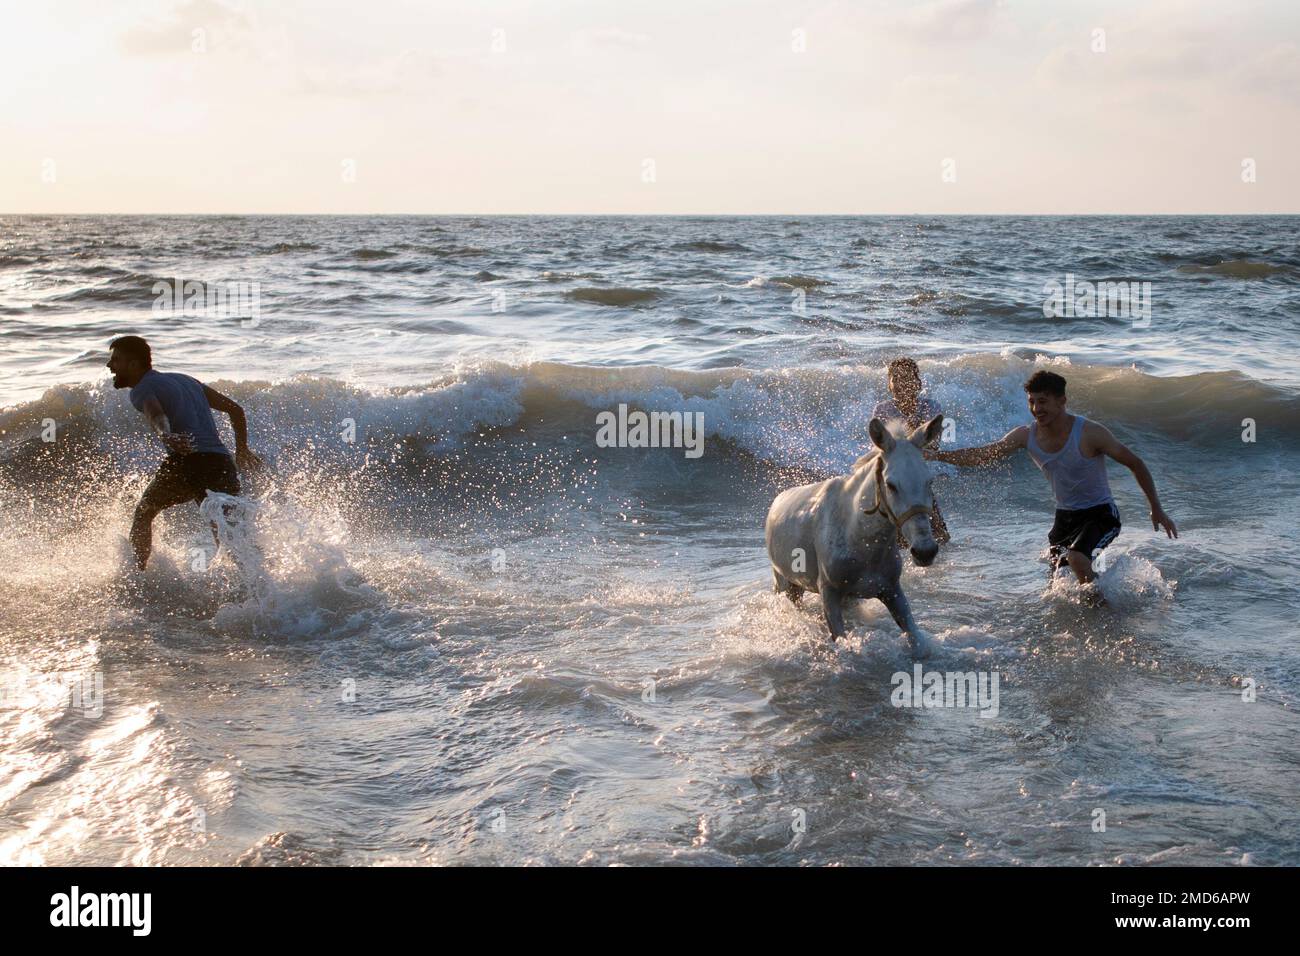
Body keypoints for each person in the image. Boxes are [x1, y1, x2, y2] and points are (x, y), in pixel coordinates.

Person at [929, 369, 1177, 587]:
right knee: (1059, 583)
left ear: (1062, 402)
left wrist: (1156, 508)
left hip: (1100, 515)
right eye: (1032, 402)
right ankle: (1099, 596)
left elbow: (1135, 463)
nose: (1037, 409)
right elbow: (984, 454)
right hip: (1064, 519)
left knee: (1077, 558)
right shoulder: (1026, 436)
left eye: (1043, 402)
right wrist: (937, 456)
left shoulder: (1089, 433)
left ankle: (1102, 613)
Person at [106, 335, 263, 570]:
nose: (110, 366)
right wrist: (241, 449)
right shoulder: (187, 380)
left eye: (115, 360)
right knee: (227, 529)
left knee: (143, 514)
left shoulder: (141, 388)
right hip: (221, 462)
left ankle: (137, 577)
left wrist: (164, 434)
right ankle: (257, 585)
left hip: (188, 462)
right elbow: (235, 410)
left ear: (134, 365)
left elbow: (156, 414)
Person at [872, 357, 950, 543]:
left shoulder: (931, 406)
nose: (901, 383)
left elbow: (933, 444)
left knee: (940, 535)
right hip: (891, 475)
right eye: (895, 379)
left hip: (916, 475)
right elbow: (879, 447)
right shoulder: (882, 409)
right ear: (889, 385)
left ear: (918, 383)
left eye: (907, 378)